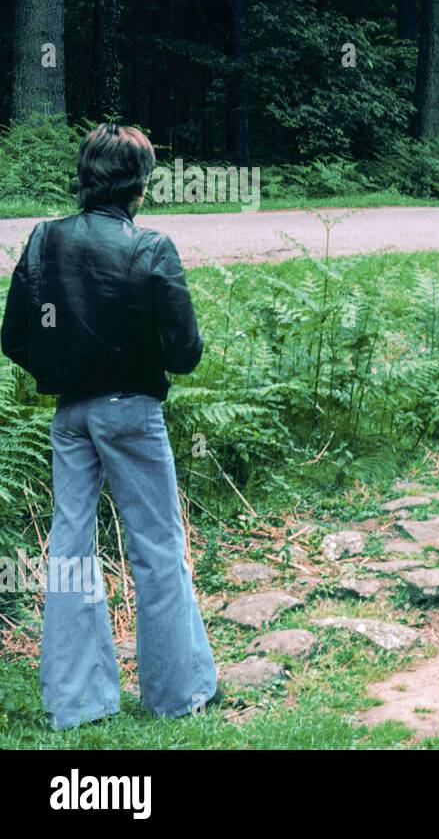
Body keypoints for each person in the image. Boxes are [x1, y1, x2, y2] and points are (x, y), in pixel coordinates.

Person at [1, 123, 220, 730]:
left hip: (70, 415)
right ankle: (180, 695)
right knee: (156, 547)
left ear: (85, 177)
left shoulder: (43, 240)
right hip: (132, 414)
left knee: (70, 553)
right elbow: (185, 354)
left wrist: (64, 364)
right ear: (139, 184)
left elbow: (14, 337)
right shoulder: (151, 248)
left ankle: (75, 702)